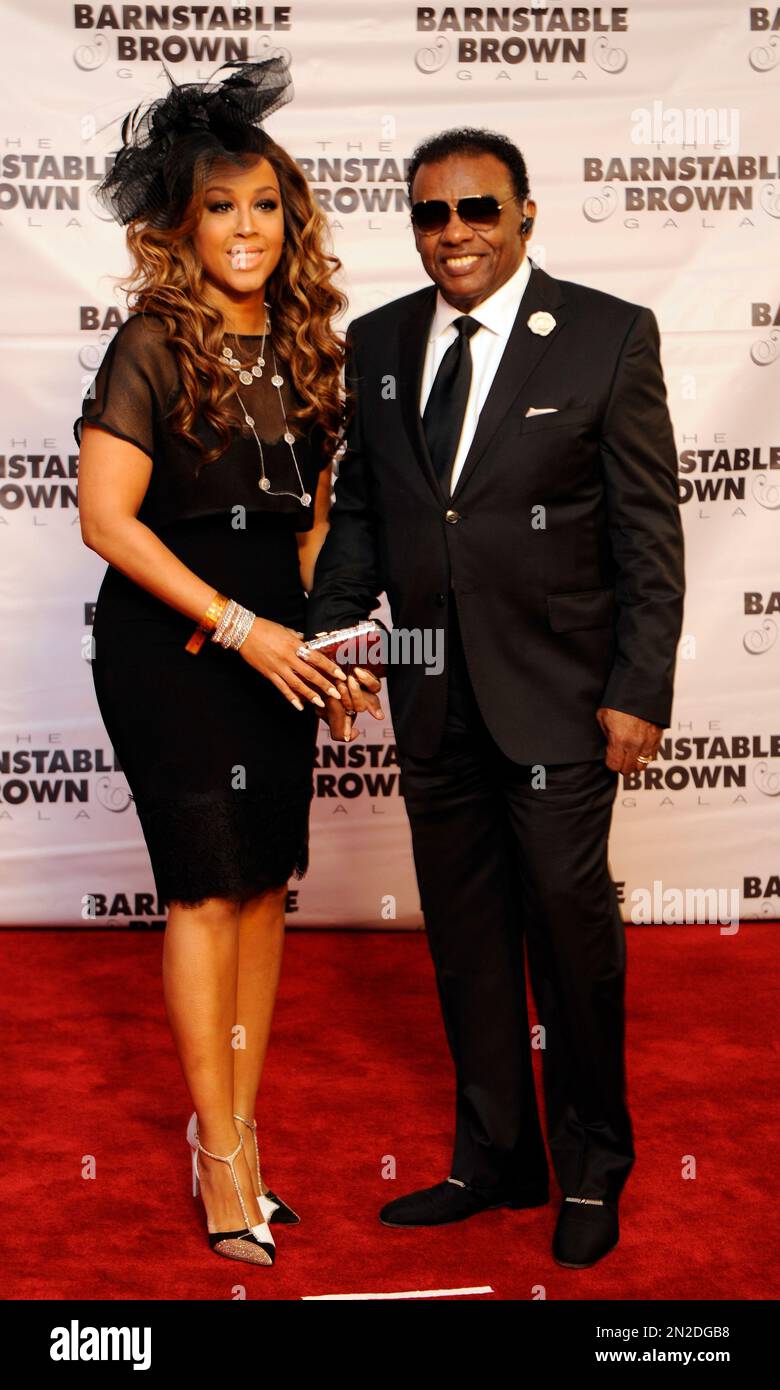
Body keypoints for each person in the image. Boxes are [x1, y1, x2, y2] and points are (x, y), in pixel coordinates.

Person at [304, 127, 685, 1269]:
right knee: (467, 939)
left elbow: (645, 530)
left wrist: (640, 688)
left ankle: (592, 1164)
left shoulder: (609, 335)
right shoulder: (375, 343)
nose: (454, 233)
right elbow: (366, 510)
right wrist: (337, 635)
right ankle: (494, 1157)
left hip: (562, 697)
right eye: (432, 214)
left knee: (571, 934)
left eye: (477, 209)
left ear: (524, 213)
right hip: (430, 692)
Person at [75, 59, 352, 1266]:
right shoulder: (152, 343)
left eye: (265, 206)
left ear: (292, 221)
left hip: (281, 654)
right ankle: (224, 1157)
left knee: (261, 889)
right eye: (221, 207)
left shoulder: (309, 349)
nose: (246, 229)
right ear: (183, 228)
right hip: (175, 651)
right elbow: (106, 521)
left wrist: (329, 645)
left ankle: (235, 1120)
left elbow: (315, 526)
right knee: (201, 887)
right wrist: (240, 627)